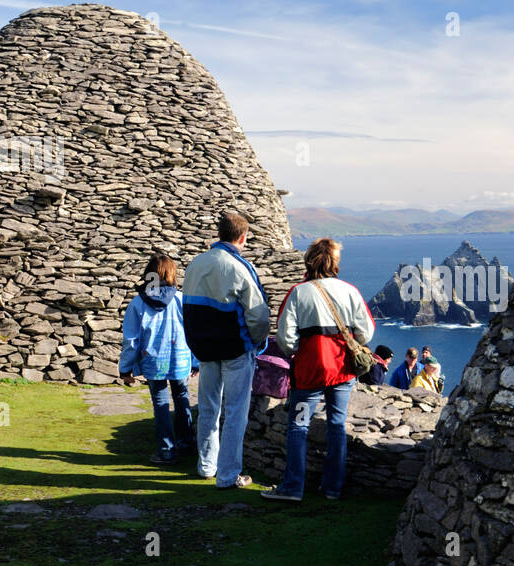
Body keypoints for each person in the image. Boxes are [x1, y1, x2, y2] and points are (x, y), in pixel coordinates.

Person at [263, 237, 374, 502]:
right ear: (335, 262)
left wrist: (298, 351)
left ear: (309, 260)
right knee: (337, 424)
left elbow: (285, 339)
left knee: (299, 426)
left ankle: (292, 488)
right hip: (343, 371)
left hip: (309, 373)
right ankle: (333, 488)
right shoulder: (350, 291)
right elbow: (366, 333)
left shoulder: (299, 292)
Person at [181, 211, 270, 489]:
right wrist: (256, 343)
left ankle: (206, 465)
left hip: (204, 349)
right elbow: (259, 316)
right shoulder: (240, 267)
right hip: (235, 349)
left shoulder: (195, 264)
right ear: (242, 237)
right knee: (235, 412)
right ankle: (229, 475)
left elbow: (187, 308)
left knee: (208, 408)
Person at [119, 253, 198, 464]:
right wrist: (196, 360)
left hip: (154, 360)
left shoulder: (138, 303)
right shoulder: (182, 300)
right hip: (180, 358)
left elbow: (132, 340)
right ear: (172, 274)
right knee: (182, 398)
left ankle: (167, 451)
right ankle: (187, 443)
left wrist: (125, 368)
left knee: (161, 402)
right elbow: (193, 331)